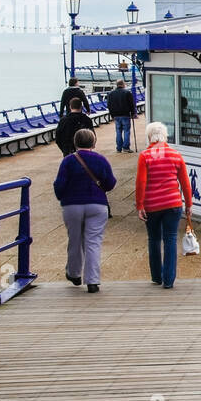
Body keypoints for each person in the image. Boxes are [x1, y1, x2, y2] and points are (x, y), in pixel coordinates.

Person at [53, 128, 116, 294]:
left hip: (72, 205)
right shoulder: (101, 160)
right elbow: (110, 183)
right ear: (93, 143)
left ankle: (74, 274)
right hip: (97, 204)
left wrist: (62, 198)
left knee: (74, 239)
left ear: (75, 143)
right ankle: (92, 281)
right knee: (93, 242)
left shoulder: (68, 161)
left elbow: (59, 184)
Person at [136, 121, 191, 289]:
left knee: (154, 239)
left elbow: (141, 182)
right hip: (173, 203)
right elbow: (185, 183)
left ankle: (157, 276)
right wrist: (188, 204)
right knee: (170, 239)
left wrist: (140, 205)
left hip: (152, 205)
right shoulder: (175, 155)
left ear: (149, 137)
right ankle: (169, 280)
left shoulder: (145, 156)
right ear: (165, 136)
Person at [107, 79, 136, 153]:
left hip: (116, 115)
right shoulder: (127, 93)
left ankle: (119, 148)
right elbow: (131, 104)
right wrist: (133, 113)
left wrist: (112, 115)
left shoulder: (111, 94)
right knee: (126, 131)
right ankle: (126, 148)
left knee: (118, 131)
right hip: (125, 114)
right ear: (123, 84)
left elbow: (109, 105)